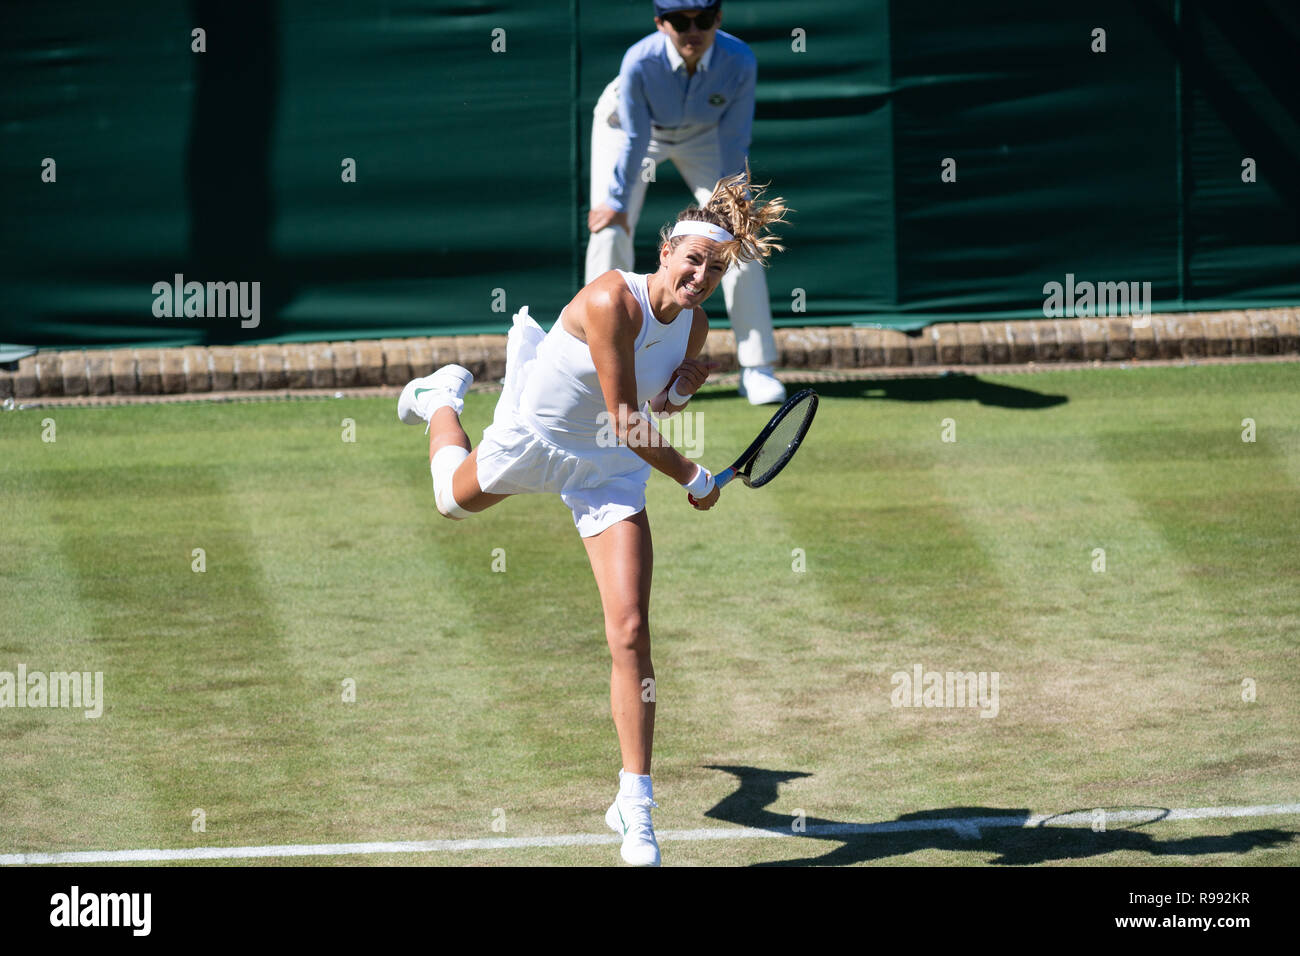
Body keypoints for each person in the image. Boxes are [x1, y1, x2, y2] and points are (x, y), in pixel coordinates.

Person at [398, 170, 787, 866]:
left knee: (631, 629)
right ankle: (438, 400)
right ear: (666, 249)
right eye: (693, 259)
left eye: (715, 268)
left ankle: (634, 807)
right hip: (537, 437)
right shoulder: (613, 298)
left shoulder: (696, 328)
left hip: (608, 473)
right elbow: (626, 417)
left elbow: (650, 410)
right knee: (450, 501)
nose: (700, 276)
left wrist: (681, 389)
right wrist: (694, 475)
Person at [586, 0, 787, 406]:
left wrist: (735, 203)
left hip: (705, 137)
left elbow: (734, 140)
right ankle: (595, 361)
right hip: (628, 130)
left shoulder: (740, 59)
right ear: (661, 24)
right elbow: (635, 139)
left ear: (719, 19)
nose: (692, 30)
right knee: (610, 227)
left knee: (739, 241)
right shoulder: (639, 61)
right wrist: (618, 201)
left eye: (704, 20)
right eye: (680, 21)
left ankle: (757, 367)